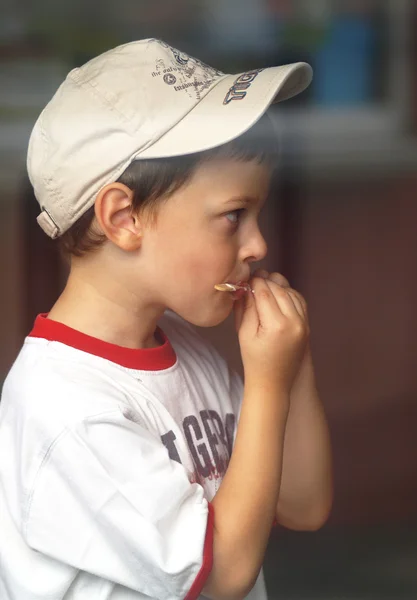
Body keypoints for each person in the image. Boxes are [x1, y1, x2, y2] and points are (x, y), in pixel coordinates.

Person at [0, 39, 333, 600]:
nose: (258, 244)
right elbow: (224, 573)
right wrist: (268, 384)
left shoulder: (186, 354)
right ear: (124, 217)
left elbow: (302, 504)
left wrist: (290, 366)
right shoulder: (64, 408)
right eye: (233, 216)